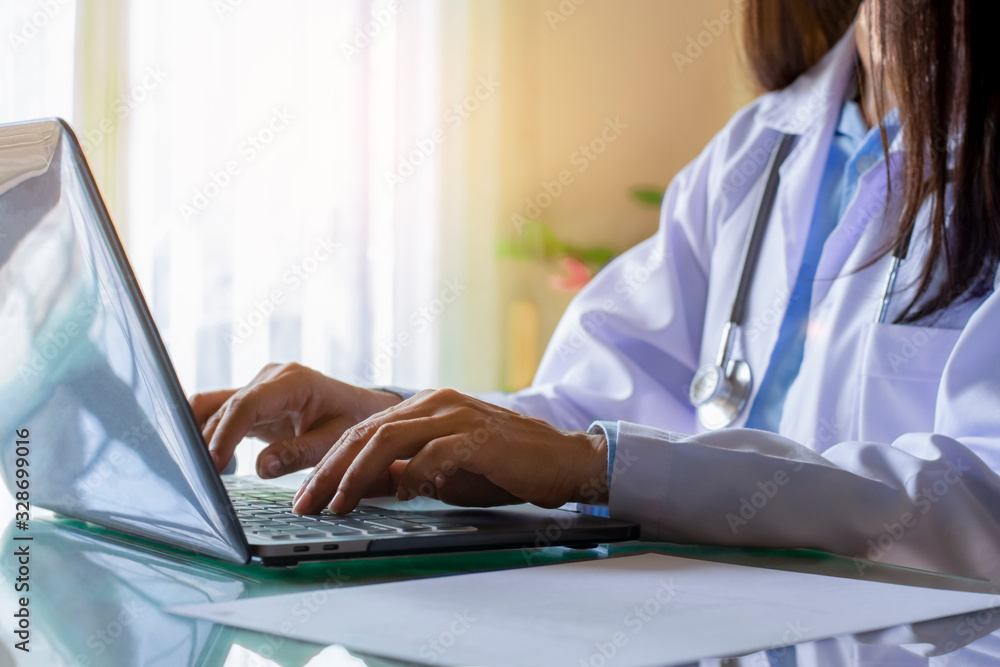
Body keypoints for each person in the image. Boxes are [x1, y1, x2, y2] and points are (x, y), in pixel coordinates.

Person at [190, 0, 1000, 584]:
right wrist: (395, 424)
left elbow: (982, 498)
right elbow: (590, 411)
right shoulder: (759, 152)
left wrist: (595, 463)